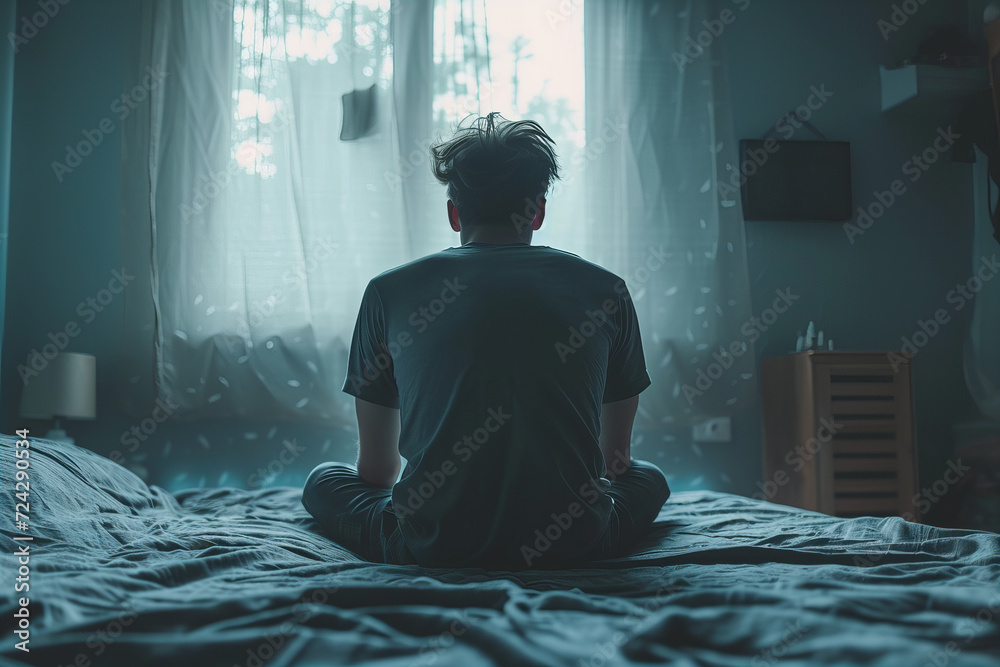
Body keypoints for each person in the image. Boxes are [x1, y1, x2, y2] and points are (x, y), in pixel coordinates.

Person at [302, 113, 669, 570]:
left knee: (322, 480)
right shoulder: (605, 289)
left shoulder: (389, 292)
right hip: (575, 541)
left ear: (454, 213)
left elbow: (377, 473)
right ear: (537, 210)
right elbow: (615, 464)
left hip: (430, 546)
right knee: (649, 478)